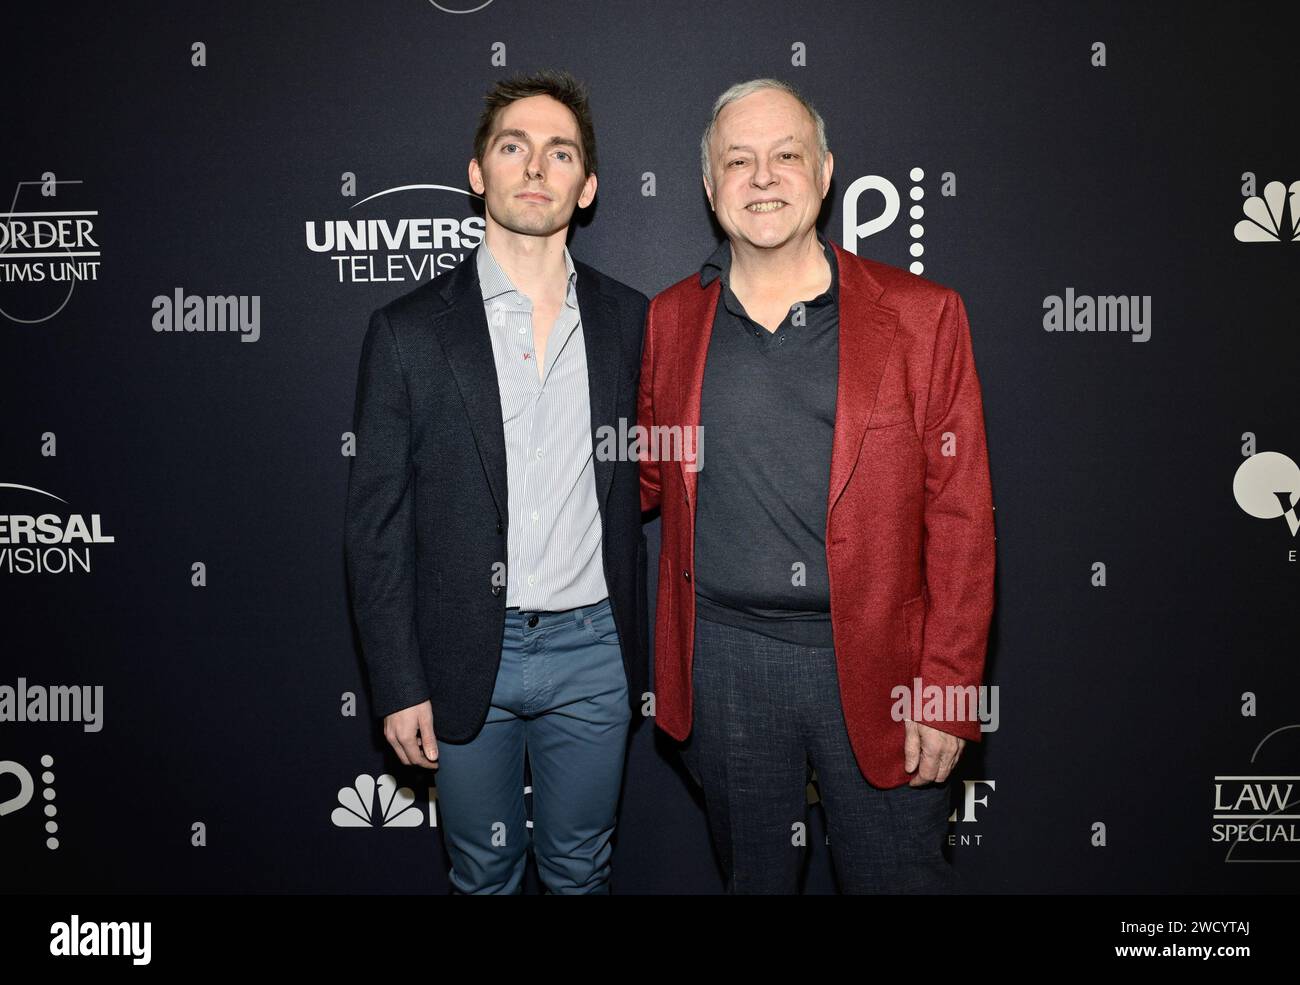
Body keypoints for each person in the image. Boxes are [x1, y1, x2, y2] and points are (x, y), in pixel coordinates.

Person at [637, 78, 996, 893]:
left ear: (826, 171)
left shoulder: (922, 315)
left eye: (785, 155)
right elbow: (644, 478)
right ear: (708, 186)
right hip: (725, 667)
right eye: (738, 160)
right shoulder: (669, 320)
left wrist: (947, 689)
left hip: (883, 668)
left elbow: (964, 515)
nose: (762, 177)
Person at [345, 69, 649, 894]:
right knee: (481, 872)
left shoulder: (634, 321)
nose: (535, 167)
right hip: (462, 650)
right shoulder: (407, 332)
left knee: (581, 870)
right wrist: (399, 682)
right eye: (514, 147)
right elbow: (375, 526)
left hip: (595, 649)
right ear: (478, 173)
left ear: (587, 187)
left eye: (560, 153)